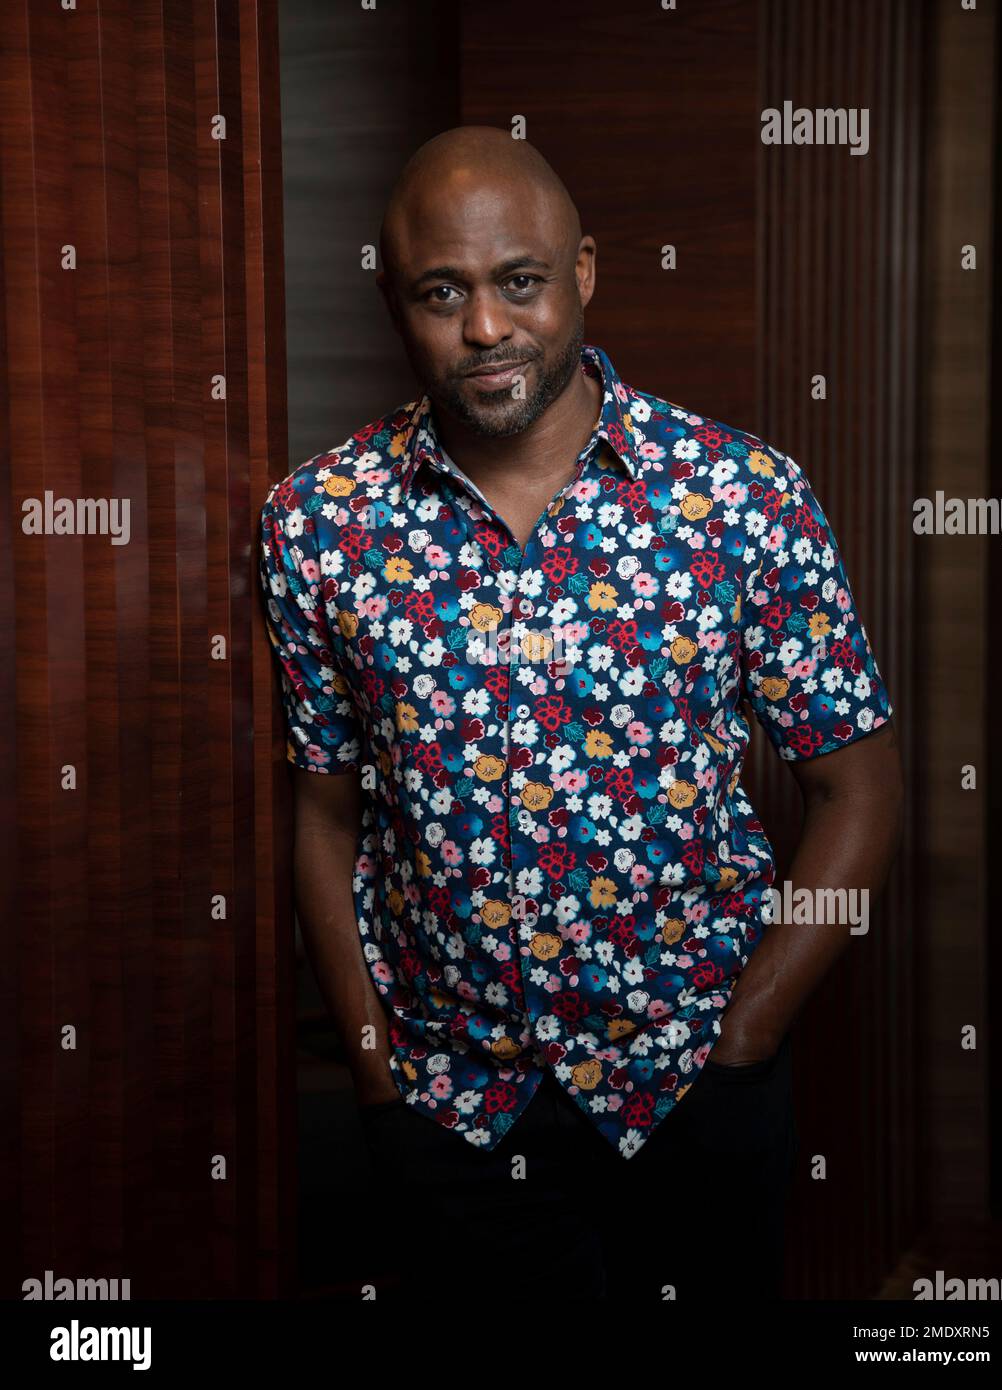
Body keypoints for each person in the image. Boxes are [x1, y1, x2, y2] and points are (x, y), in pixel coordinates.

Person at [258, 125, 904, 1301]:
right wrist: (372, 1070)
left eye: (520, 281)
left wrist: (747, 1034)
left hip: (691, 1091)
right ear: (392, 300)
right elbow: (320, 812)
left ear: (584, 273)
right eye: (441, 291)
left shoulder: (737, 498)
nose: (487, 328)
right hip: (448, 1107)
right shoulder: (318, 521)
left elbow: (857, 785)